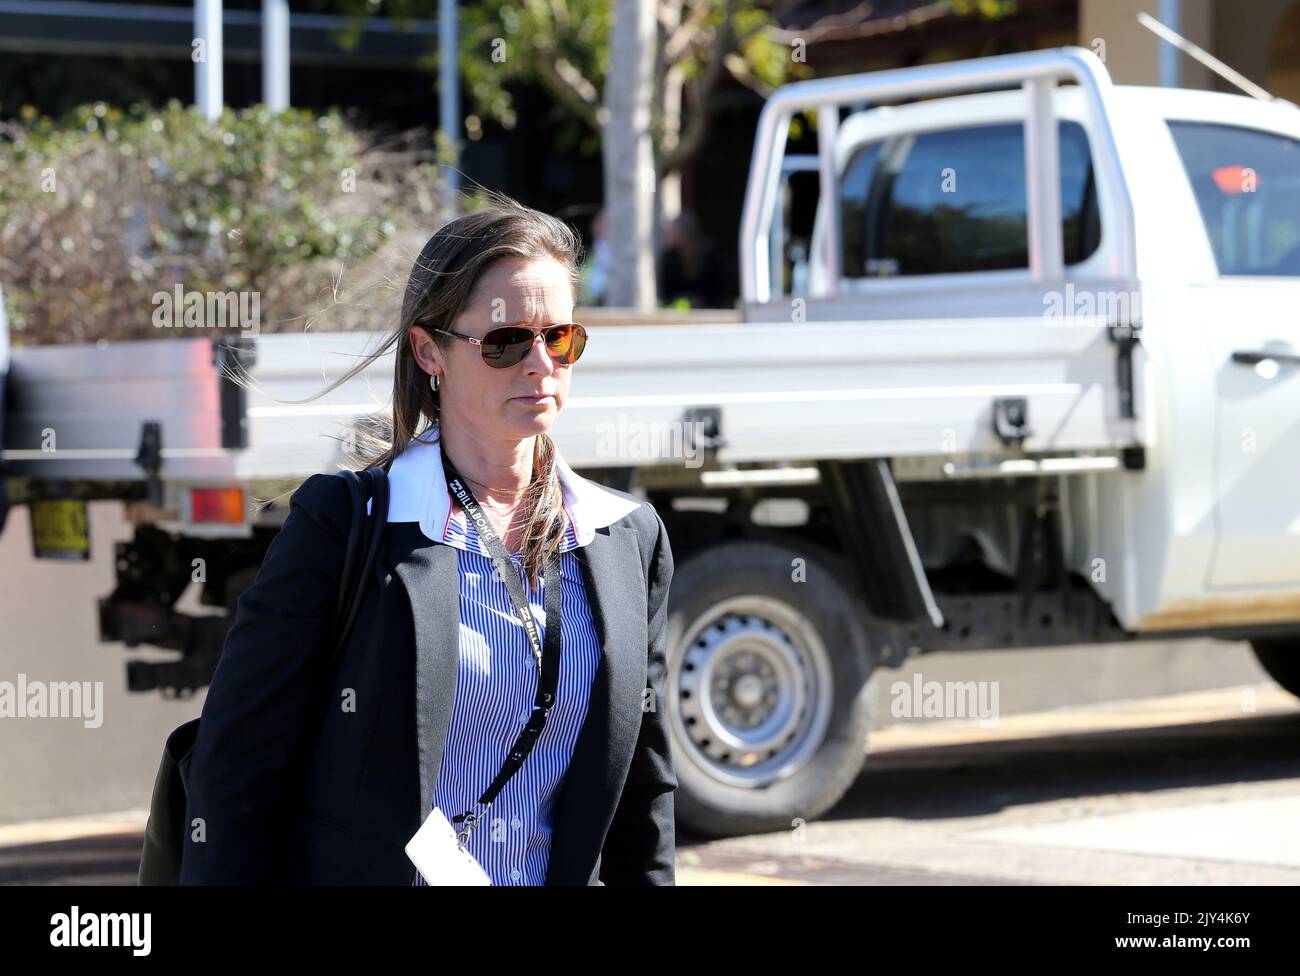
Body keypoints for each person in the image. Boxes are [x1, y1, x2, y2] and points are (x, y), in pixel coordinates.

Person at [179, 192, 678, 885]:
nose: (539, 364)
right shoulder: (346, 526)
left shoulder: (626, 539)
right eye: (505, 342)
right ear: (428, 350)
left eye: (560, 338)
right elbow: (237, 769)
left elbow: (641, 798)